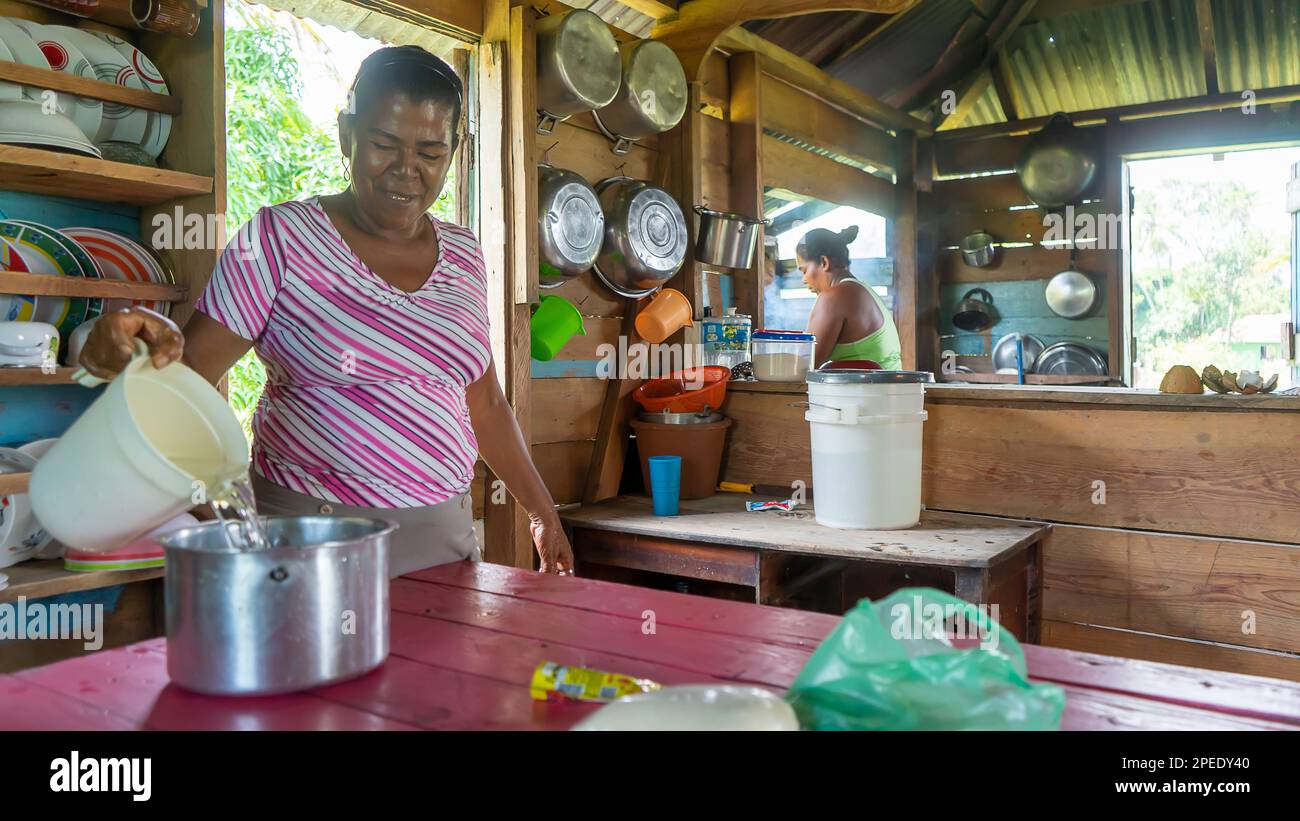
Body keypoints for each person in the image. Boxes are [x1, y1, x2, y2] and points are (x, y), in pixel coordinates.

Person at [78, 45, 575, 576]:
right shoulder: (278, 240)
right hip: (311, 539)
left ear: (452, 155)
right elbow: (184, 383)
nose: (407, 170)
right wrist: (121, 352)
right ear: (346, 134)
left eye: (430, 153)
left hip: (444, 542)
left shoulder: (464, 254)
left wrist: (543, 514)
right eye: (385, 144)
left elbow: (487, 402)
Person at [798, 225, 902, 369]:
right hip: (884, 390)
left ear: (824, 263)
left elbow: (804, 365)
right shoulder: (863, 290)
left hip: (869, 391)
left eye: (804, 270)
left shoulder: (835, 297)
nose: (803, 280)